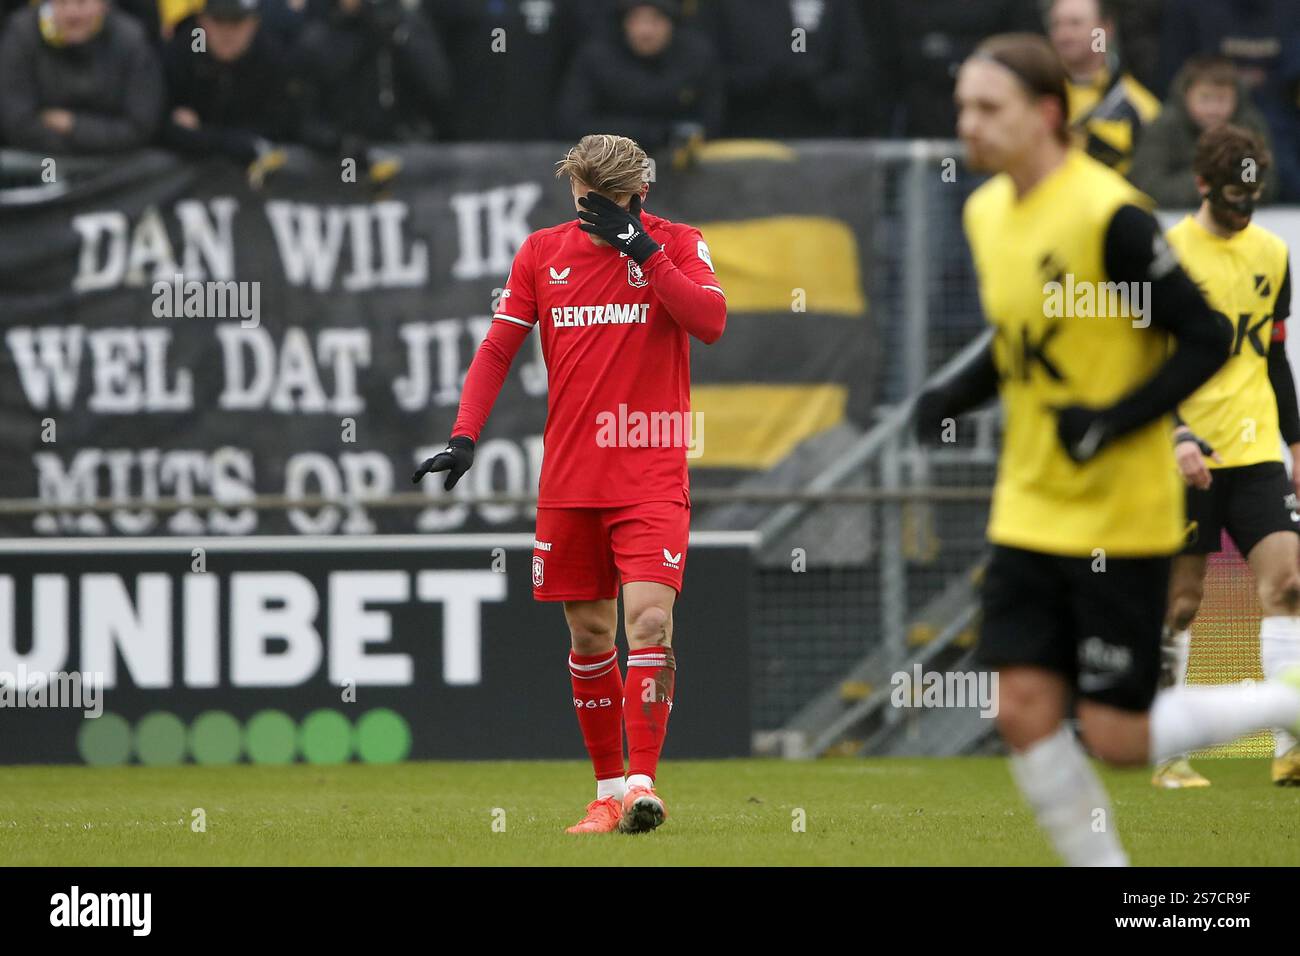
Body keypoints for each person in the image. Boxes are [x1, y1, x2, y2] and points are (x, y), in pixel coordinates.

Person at [918, 32, 1300, 866]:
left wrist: (1114, 420)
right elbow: (1023, 336)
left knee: (1119, 736)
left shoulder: (1111, 217)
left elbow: (1202, 338)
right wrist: (956, 393)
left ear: (1047, 114)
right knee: (1021, 708)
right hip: (1028, 501)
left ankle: (1284, 705)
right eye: (962, 108)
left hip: (1118, 510)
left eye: (988, 108)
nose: (967, 126)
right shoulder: (985, 211)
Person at [413, 134, 726, 834]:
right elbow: (498, 348)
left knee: (650, 620)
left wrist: (639, 246)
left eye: (607, 206)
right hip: (571, 476)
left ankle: (643, 785)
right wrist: (465, 435)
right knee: (589, 636)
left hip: (649, 466)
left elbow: (709, 321)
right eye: (583, 202)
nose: (591, 218)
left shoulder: (676, 243)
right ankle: (607, 793)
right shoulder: (541, 254)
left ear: (638, 197)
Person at [1153, 124, 1300, 788]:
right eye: (1233, 196)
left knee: (1290, 586)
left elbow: (1273, 356)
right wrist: (1179, 435)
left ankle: (1289, 747)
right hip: (1183, 452)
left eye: (1253, 195)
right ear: (1203, 184)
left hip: (1253, 450)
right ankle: (1167, 754)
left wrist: (1296, 443)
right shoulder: (1166, 258)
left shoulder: (1274, 253)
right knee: (1181, 603)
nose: (1245, 208)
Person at [557, 0, 722, 151]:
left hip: (682, 165)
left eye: (655, 20)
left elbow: (712, 119)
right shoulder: (596, 57)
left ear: (672, 23)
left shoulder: (696, 56)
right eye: (637, 20)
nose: (646, 31)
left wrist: (682, 135)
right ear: (624, 23)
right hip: (609, 164)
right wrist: (655, 134)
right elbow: (573, 122)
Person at [0, 0, 162, 153]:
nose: (72, 13)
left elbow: (140, 127)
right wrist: (96, 139)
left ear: (103, 4)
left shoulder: (131, 39)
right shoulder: (21, 35)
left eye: (82, 2)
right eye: (63, 2)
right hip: (34, 167)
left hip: (118, 170)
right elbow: (16, 122)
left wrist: (72, 125)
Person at [1129, 55, 1276, 208]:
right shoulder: (1165, 127)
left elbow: (1263, 184)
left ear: (1236, 99)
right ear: (1186, 95)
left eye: (1222, 99)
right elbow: (1149, 186)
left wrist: (1233, 186)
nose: (1213, 109)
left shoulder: (1248, 128)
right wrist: (1214, 183)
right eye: (1205, 98)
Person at [161, 0, 292, 168]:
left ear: (254, 23)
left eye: (236, 22)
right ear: (203, 21)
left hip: (250, 160)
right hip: (188, 163)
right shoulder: (185, 50)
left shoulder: (272, 56)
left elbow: (280, 126)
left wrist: (205, 135)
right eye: (219, 21)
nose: (227, 32)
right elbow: (161, 122)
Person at [1048, 0, 1160, 174]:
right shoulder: (1033, 94)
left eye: (1075, 23)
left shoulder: (1140, 106)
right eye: (1056, 24)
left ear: (1104, 29)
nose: (1064, 34)